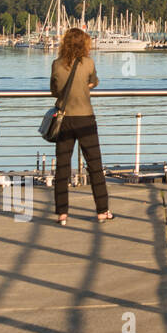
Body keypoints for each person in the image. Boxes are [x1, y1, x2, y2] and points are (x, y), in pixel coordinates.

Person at [50, 28, 112, 225]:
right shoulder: (89, 63)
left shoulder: (56, 64)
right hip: (85, 119)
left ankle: (62, 213)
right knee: (95, 165)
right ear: (84, 44)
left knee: (62, 167)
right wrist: (84, 87)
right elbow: (94, 82)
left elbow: (54, 90)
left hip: (65, 119)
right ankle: (102, 211)